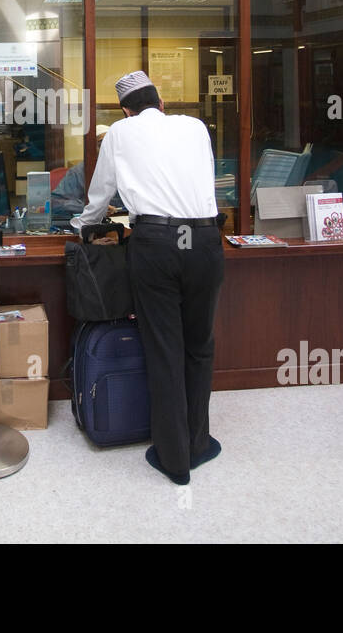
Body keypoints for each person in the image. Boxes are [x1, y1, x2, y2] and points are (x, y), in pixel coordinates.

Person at [72, 71, 225, 485]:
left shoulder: (119, 133)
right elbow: (196, 182)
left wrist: (81, 224)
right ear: (162, 104)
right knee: (199, 345)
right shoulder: (196, 128)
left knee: (164, 348)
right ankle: (198, 442)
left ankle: (174, 459)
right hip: (205, 238)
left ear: (126, 109)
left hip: (156, 243)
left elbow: (100, 194)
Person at [50, 125, 122, 226]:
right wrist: (90, 207)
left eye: (111, 144)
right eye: (101, 144)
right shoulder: (79, 172)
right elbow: (54, 203)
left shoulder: (124, 168)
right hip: (88, 225)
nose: (107, 149)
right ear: (91, 149)